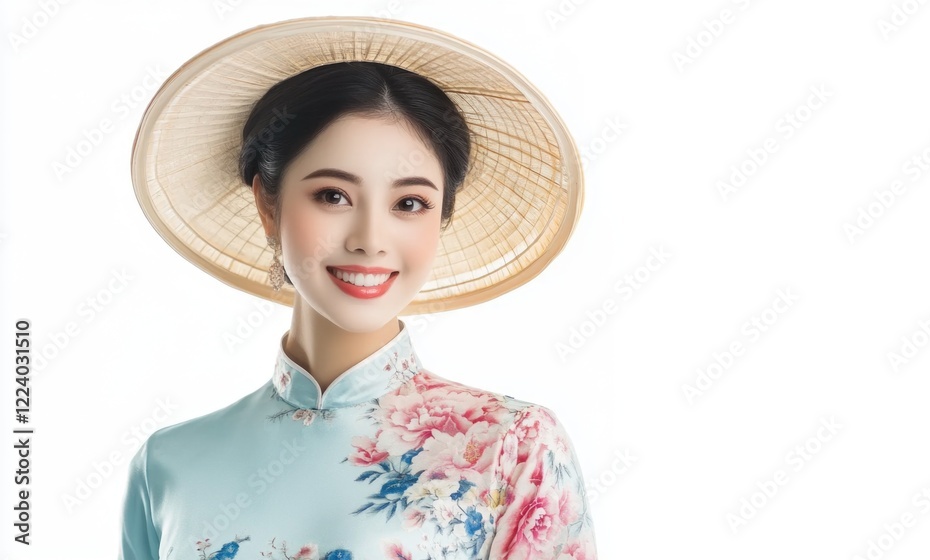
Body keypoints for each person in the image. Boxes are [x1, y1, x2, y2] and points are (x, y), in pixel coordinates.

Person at [121, 16, 596, 560]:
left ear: (440, 218)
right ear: (268, 205)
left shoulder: (512, 448)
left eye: (409, 204)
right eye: (333, 195)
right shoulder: (169, 465)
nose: (371, 240)